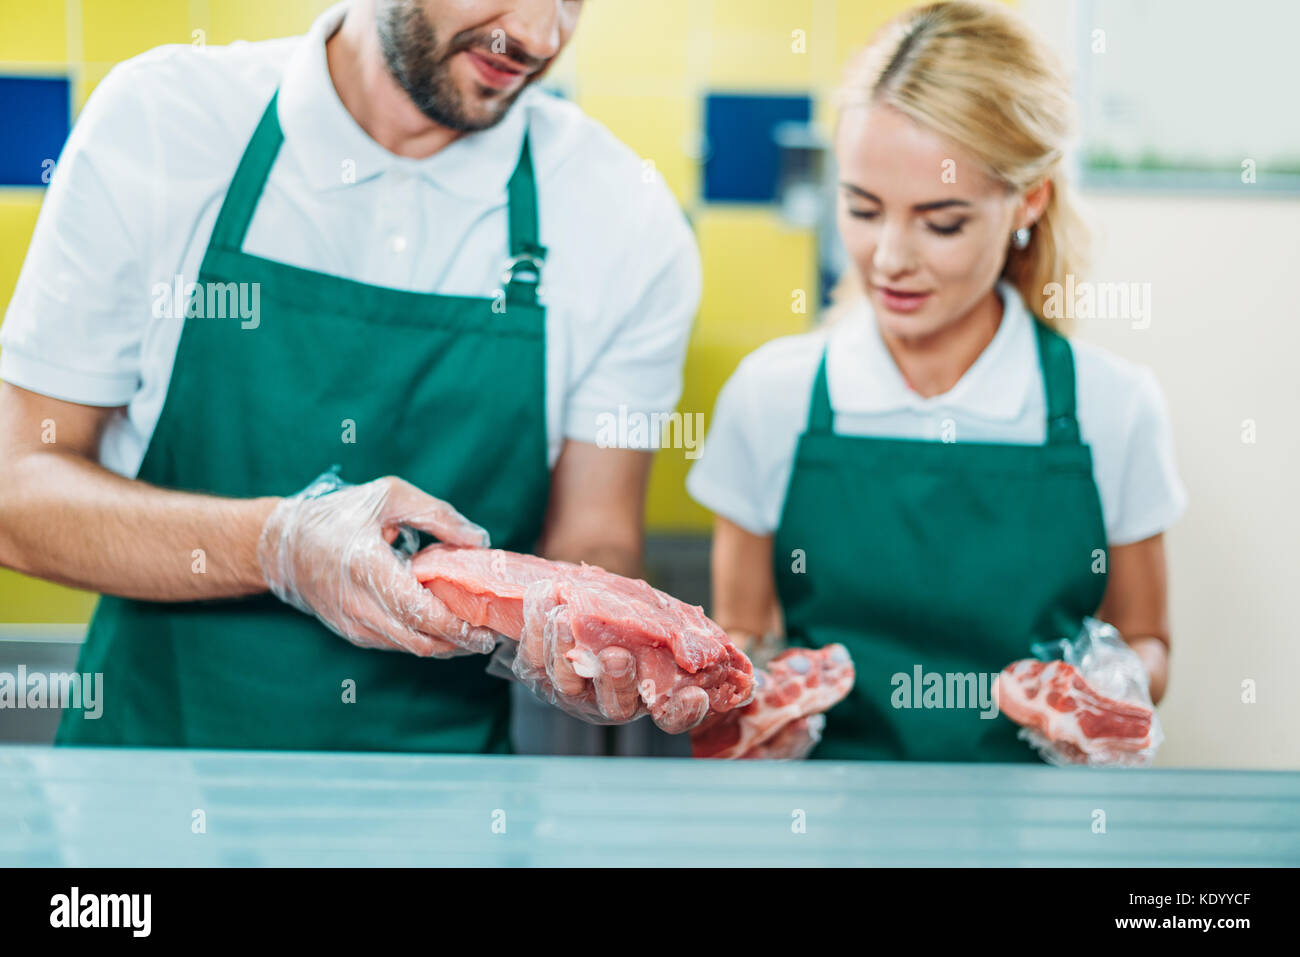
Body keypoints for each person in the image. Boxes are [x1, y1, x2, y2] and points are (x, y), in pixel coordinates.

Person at [0, 0, 702, 754]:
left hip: (444, 810)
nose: (538, 36)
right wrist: (279, 545)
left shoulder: (626, 217)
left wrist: (599, 639)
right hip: (148, 780)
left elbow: (597, 534)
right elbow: (16, 489)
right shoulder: (163, 125)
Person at [685, 0, 1186, 762]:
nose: (888, 256)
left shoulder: (1111, 408)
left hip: (1040, 834)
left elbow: (1149, 641)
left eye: (940, 221)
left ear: (1028, 199)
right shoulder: (771, 398)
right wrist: (754, 716)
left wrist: (1110, 695)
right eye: (860, 208)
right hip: (827, 829)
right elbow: (744, 641)